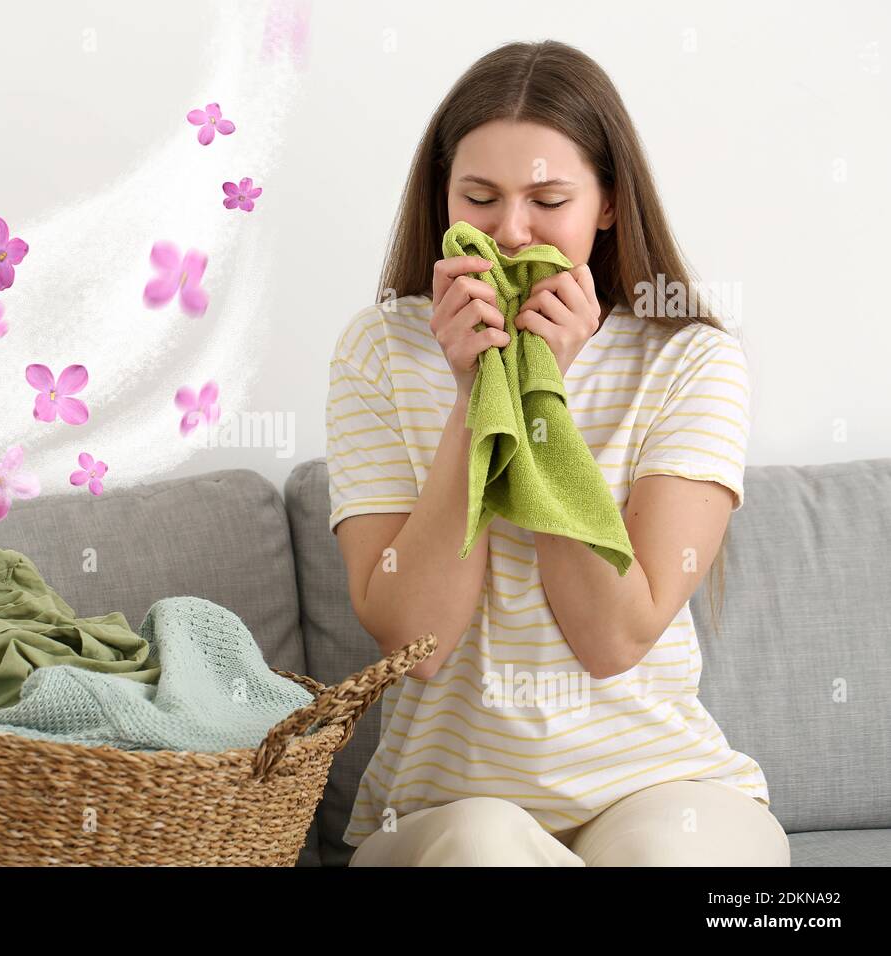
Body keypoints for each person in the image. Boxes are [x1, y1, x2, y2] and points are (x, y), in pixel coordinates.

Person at [326, 39, 788, 866]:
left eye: (547, 199)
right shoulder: (379, 350)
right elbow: (415, 640)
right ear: (443, 200)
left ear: (607, 203)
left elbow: (613, 639)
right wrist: (477, 395)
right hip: (445, 808)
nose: (510, 233)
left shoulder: (691, 359)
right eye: (480, 198)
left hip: (661, 786)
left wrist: (542, 397)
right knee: (484, 850)